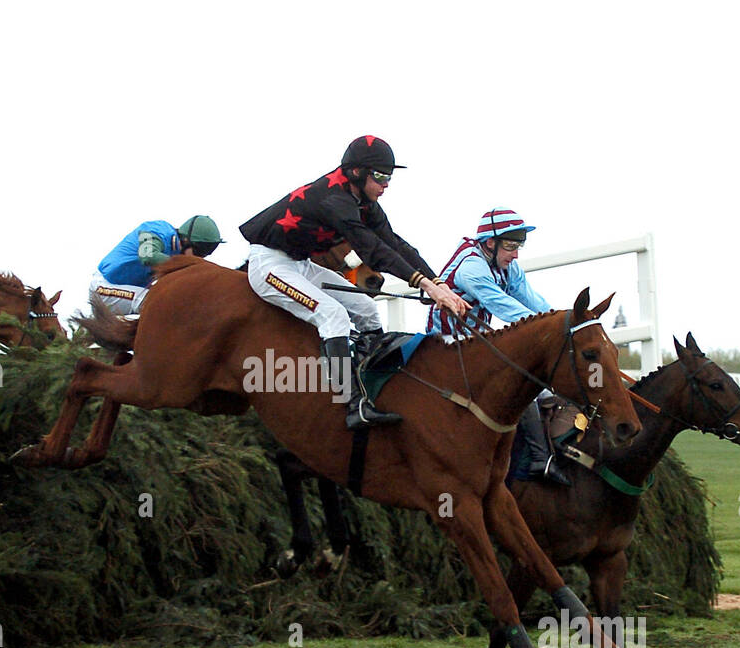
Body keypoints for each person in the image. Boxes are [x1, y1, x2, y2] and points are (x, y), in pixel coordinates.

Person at [240, 135, 469, 429]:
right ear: (357, 172)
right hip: (269, 265)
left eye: (389, 177)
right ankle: (351, 405)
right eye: (381, 176)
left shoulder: (362, 200)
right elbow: (373, 250)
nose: (386, 184)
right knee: (333, 315)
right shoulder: (334, 201)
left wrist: (440, 284)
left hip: (301, 265)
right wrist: (426, 286)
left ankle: (376, 386)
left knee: (367, 309)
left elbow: (395, 243)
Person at [426, 208, 569, 484]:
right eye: (511, 247)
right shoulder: (471, 268)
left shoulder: (506, 264)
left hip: (478, 340)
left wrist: (563, 321)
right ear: (490, 243)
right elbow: (507, 310)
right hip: (449, 344)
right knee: (517, 379)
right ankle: (541, 459)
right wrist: (554, 329)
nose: (516, 255)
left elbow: (531, 302)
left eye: (519, 247)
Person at [89, 216, 223, 316]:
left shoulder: (175, 252)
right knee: (157, 302)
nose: (200, 258)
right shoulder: (157, 230)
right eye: (201, 252)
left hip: (129, 290)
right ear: (186, 240)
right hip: (104, 287)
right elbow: (148, 255)